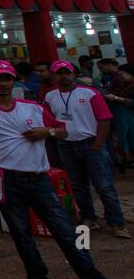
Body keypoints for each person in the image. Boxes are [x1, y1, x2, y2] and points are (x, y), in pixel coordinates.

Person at [0, 60, 133, 279]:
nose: (3, 83)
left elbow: (63, 132)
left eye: (7, 78)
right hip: (7, 181)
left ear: (14, 81)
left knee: (67, 234)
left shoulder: (33, 107)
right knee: (22, 236)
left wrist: (47, 132)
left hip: (38, 180)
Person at [45, 60, 129, 238]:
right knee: (78, 186)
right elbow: (50, 120)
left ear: (74, 74)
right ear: (53, 76)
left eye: (67, 72)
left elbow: (104, 119)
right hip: (66, 145)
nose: (63, 76)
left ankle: (117, 223)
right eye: (59, 73)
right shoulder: (50, 97)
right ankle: (89, 218)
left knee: (104, 186)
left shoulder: (90, 93)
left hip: (90, 143)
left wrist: (98, 144)